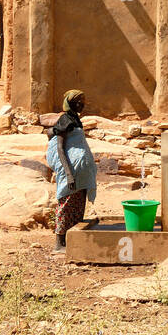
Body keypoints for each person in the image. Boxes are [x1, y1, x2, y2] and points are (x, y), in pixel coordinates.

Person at [45, 89, 97, 256]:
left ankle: (72, 240)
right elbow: (60, 148)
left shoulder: (75, 119)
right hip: (71, 171)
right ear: (71, 103)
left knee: (77, 206)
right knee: (66, 205)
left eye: (83, 101)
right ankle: (58, 244)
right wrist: (68, 173)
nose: (83, 104)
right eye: (79, 101)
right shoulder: (65, 119)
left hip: (80, 173)